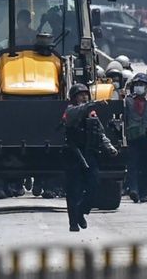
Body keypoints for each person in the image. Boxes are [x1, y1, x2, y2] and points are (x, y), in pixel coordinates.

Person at [62, 84, 118, 231]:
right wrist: (93, 104)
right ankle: (73, 222)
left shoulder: (91, 113)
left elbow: (100, 133)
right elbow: (75, 114)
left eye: (86, 94)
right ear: (74, 97)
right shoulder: (71, 110)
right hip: (74, 155)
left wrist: (109, 147)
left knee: (94, 185)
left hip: (89, 154)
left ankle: (82, 211)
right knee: (73, 190)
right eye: (80, 95)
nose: (84, 97)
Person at [124, 73, 147, 203]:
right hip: (132, 135)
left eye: (142, 85)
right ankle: (133, 190)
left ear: (146, 87)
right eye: (137, 85)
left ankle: (144, 192)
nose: (139, 87)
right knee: (132, 163)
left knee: (146, 164)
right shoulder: (127, 100)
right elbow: (123, 117)